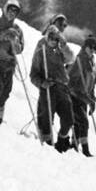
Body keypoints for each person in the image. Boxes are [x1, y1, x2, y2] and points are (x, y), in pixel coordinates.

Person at [29, 21, 75, 152]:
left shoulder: (61, 52)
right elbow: (33, 75)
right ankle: (47, 145)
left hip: (62, 88)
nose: (53, 41)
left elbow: (71, 58)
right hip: (48, 88)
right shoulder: (40, 52)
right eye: (51, 37)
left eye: (56, 38)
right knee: (47, 119)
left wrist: (64, 44)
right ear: (46, 37)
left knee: (68, 119)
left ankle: (61, 143)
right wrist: (42, 83)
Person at [67, 33, 96, 157]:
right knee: (84, 122)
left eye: (95, 48)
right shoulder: (79, 61)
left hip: (84, 97)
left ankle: (74, 144)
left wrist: (92, 98)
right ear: (85, 46)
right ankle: (85, 149)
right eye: (91, 47)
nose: (93, 50)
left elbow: (92, 82)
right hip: (76, 96)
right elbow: (71, 80)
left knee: (78, 122)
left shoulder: (92, 63)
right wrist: (78, 92)